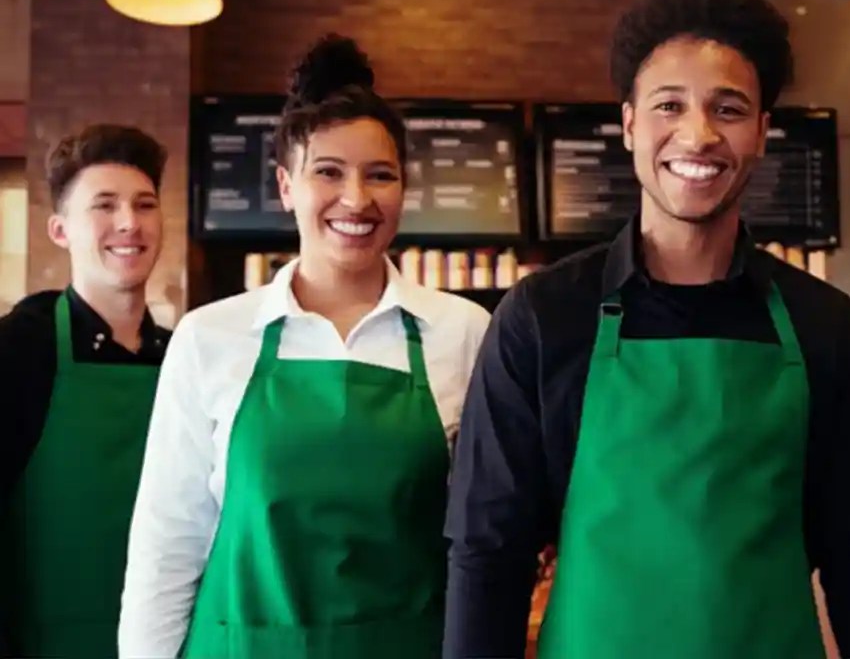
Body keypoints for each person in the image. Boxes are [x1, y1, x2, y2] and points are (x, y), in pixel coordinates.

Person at [444, 0, 850, 659]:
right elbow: (488, 552)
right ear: (631, 122)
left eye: (728, 109)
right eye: (670, 104)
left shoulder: (826, 325)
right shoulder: (545, 318)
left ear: (761, 132)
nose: (698, 134)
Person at [117, 35, 491, 659]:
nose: (357, 199)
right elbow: (168, 544)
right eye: (328, 173)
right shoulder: (210, 338)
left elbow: (483, 539)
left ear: (405, 187)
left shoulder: (462, 332)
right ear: (286, 186)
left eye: (381, 175)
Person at [0, 124, 170, 659]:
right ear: (60, 230)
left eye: (145, 205)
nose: (129, 223)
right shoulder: (17, 350)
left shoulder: (187, 356)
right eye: (104, 205)